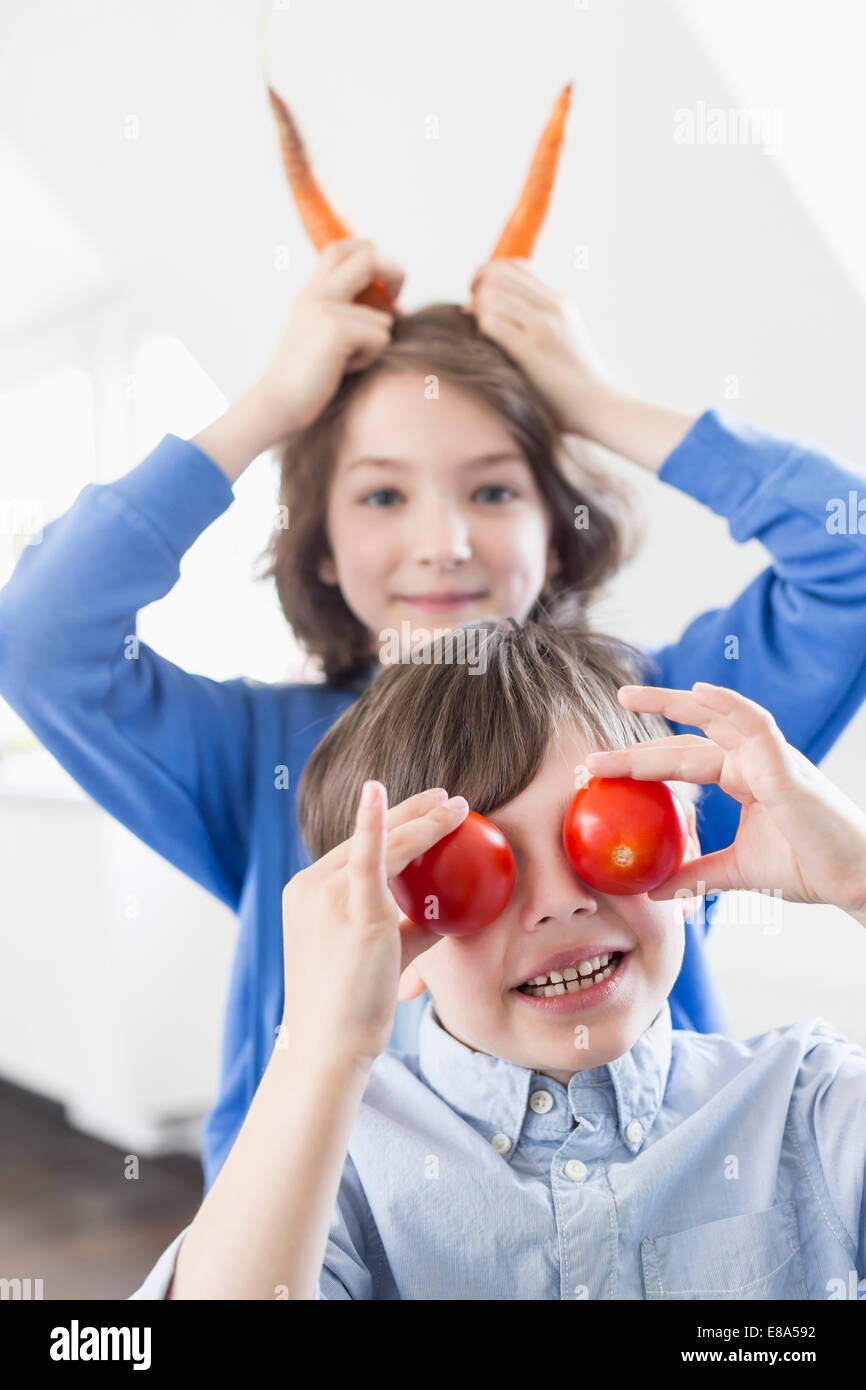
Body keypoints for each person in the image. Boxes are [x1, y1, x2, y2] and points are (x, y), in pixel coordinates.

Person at [2, 241, 866, 1195]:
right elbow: (39, 635)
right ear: (321, 546)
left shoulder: (652, 713)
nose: (443, 543)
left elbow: (852, 553)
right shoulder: (260, 759)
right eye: (382, 494)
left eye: (494, 490)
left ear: (555, 521)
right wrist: (270, 407)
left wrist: (591, 405)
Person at [129, 620, 866, 1299]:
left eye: (612, 834)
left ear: (686, 849)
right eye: (469, 874)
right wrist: (319, 1046)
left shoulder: (808, 1106)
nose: (560, 904)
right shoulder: (335, 1166)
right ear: (396, 942)